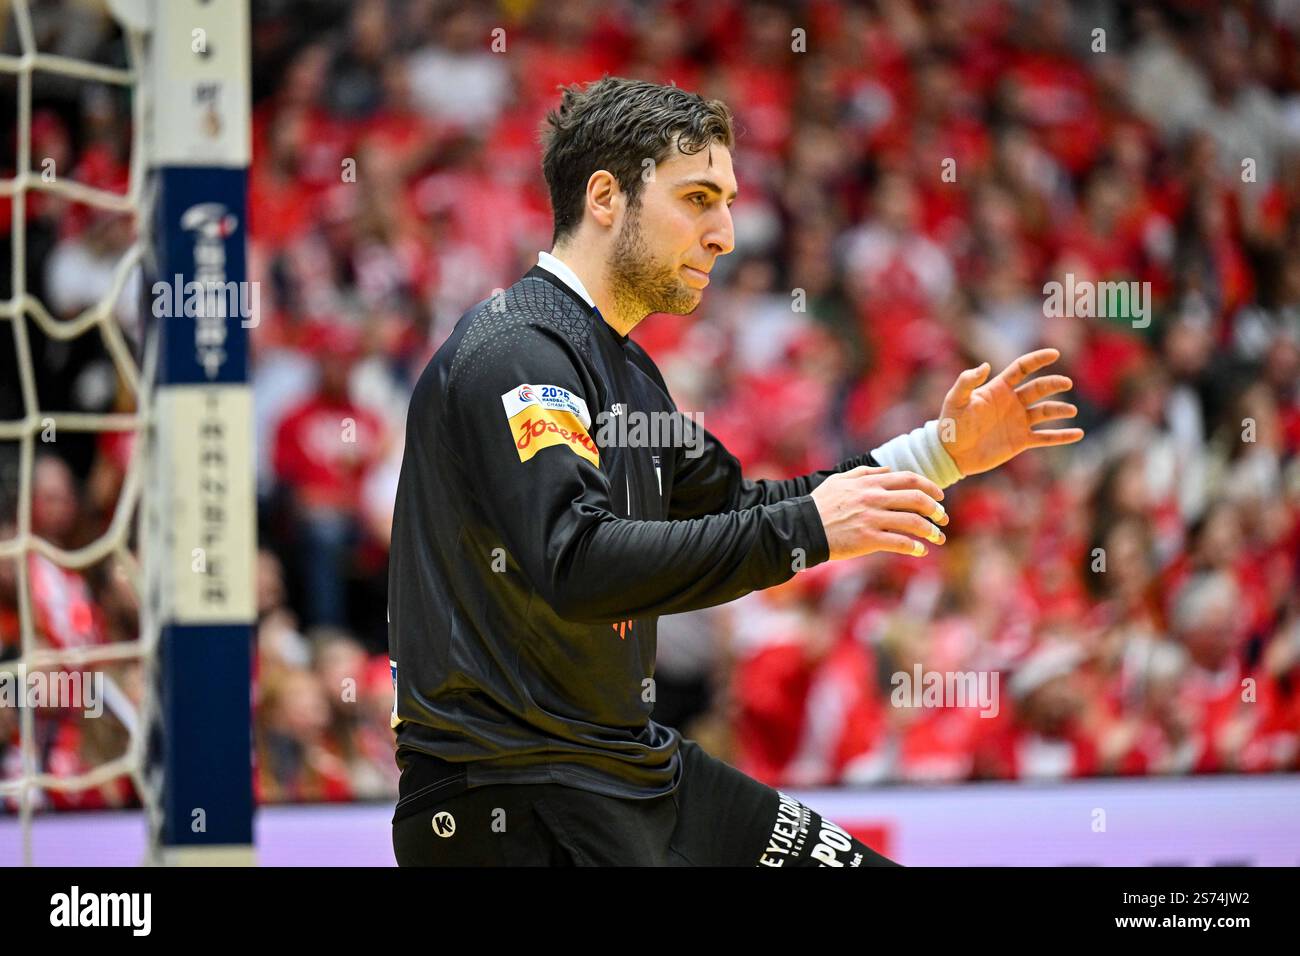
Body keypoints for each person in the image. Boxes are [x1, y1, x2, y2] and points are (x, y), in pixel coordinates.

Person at [387, 77, 1083, 866]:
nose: (725, 231)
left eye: (728, 201)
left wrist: (943, 451)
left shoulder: (627, 372)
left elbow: (743, 507)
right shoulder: (516, 352)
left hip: (628, 769)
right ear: (607, 196)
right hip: (511, 797)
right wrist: (813, 528)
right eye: (698, 198)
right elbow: (575, 562)